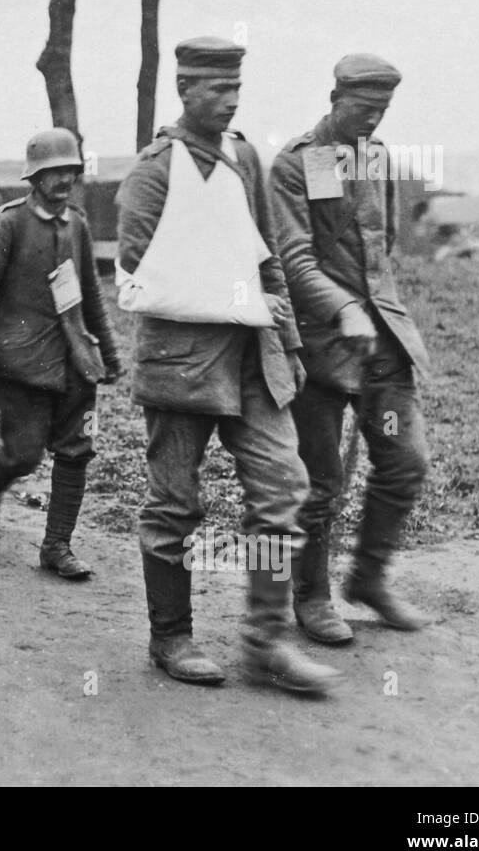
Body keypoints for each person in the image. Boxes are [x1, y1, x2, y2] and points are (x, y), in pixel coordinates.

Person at [114, 37, 341, 693]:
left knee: (282, 492)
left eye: (237, 89)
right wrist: (216, 292)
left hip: (254, 361)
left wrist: (291, 345)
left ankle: (266, 639)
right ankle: (171, 636)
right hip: (182, 364)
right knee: (175, 502)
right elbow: (135, 273)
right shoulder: (155, 169)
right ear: (185, 90)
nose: (231, 99)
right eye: (218, 90)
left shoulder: (244, 155)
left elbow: (268, 258)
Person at [268, 53, 431, 643]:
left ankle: (368, 579)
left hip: (381, 344)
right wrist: (342, 308)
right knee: (321, 482)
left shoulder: (379, 156)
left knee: (403, 461)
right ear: (335, 97)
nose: (373, 121)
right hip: (318, 348)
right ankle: (311, 596)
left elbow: (380, 247)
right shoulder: (294, 163)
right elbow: (294, 257)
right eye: (364, 109)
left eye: (383, 111)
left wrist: (378, 313)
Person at [0, 128, 122, 579]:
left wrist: (107, 352)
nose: (63, 180)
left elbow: (91, 293)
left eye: (69, 171)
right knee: (25, 454)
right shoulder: (8, 222)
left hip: (75, 360)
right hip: (22, 364)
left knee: (76, 451)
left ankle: (56, 546)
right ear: (34, 176)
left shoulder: (78, 224)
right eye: (52, 172)